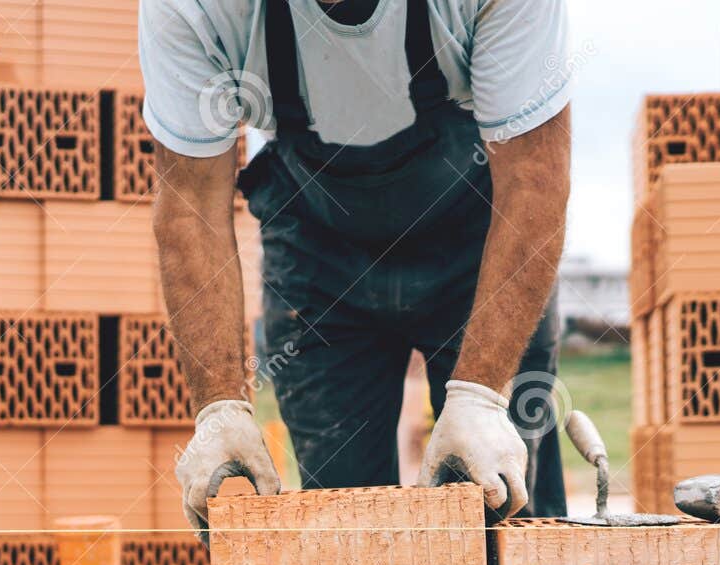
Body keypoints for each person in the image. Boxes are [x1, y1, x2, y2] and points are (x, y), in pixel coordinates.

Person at [141, 0, 573, 530]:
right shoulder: (197, 8)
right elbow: (190, 208)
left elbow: (534, 175)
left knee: (508, 519)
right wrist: (220, 408)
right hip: (317, 260)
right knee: (348, 537)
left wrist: (481, 397)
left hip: (476, 247)